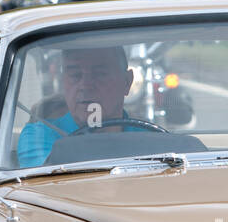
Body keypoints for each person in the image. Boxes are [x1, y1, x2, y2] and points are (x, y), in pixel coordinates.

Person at [17, 46, 149, 166]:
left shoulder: (149, 136)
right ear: (63, 82)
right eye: (75, 75)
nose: (85, 86)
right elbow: (47, 185)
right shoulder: (40, 136)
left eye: (100, 74)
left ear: (126, 82)